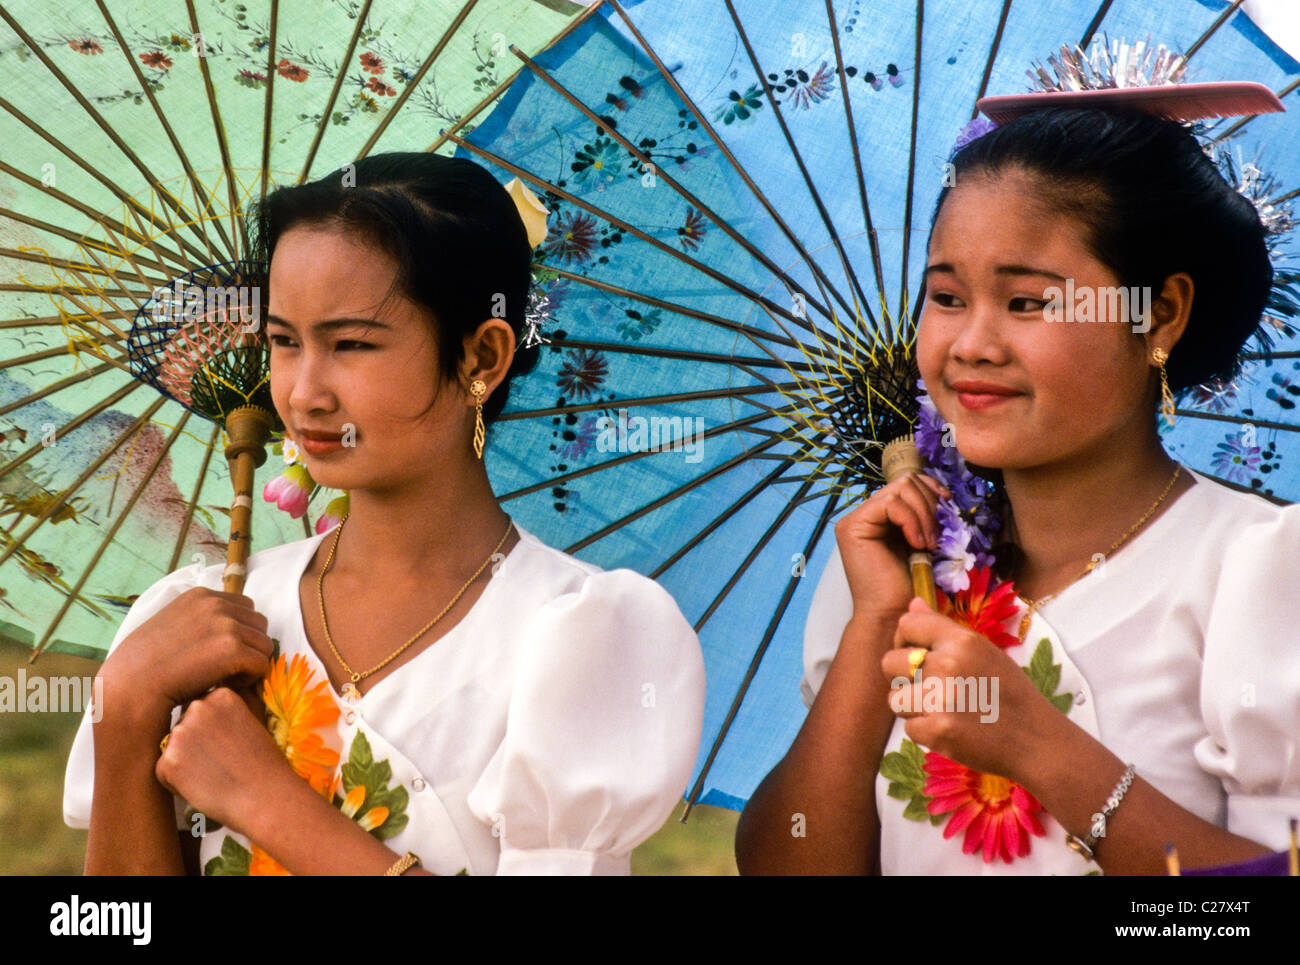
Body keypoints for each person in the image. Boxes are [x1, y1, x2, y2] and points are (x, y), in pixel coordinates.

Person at [64, 153, 706, 876]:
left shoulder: (573, 639)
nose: (304, 393)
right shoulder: (198, 619)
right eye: (283, 341)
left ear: (481, 356)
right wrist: (126, 713)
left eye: (351, 344)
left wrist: (270, 803)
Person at [735, 104, 1300, 875]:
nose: (970, 344)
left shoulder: (1253, 571)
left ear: (1159, 315)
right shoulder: (897, 564)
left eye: (1027, 302)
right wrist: (874, 625)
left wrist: (1035, 743)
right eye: (946, 297)